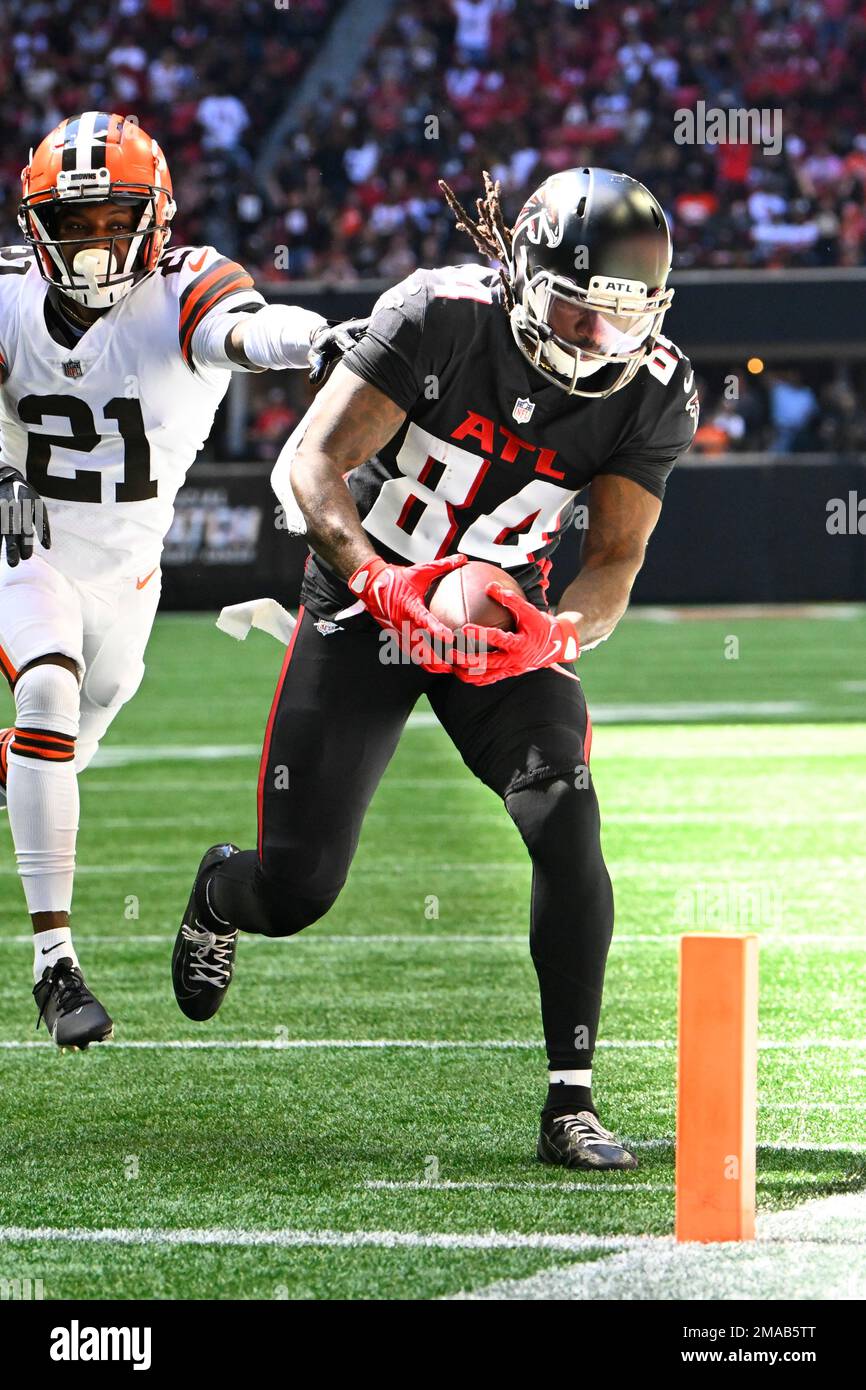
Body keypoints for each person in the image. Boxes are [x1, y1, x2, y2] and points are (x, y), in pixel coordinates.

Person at [172, 167, 698, 1170]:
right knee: (298, 887)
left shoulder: (654, 386)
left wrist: (556, 635)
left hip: (498, 620)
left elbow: (615, 557)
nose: (593, 339)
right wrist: (378, 587)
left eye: (615, 320)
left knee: (564, 810)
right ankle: (219, 892)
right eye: (573, 311)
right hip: (368, 594)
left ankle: (569, 1101)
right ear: (517, 275)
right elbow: (307, 465)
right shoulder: (439, 317)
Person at [0, 111, 328, 1049]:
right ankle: (54, 966)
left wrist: (316, 341)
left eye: (114, 222)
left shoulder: (184, 286)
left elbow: (247, 331)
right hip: (30, 550)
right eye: (75, 224)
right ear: (36, 226)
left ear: (156, 219)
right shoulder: (10, 296)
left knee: (56, 741)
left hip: (129, 577)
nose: (96, 247)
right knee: (50, 693)